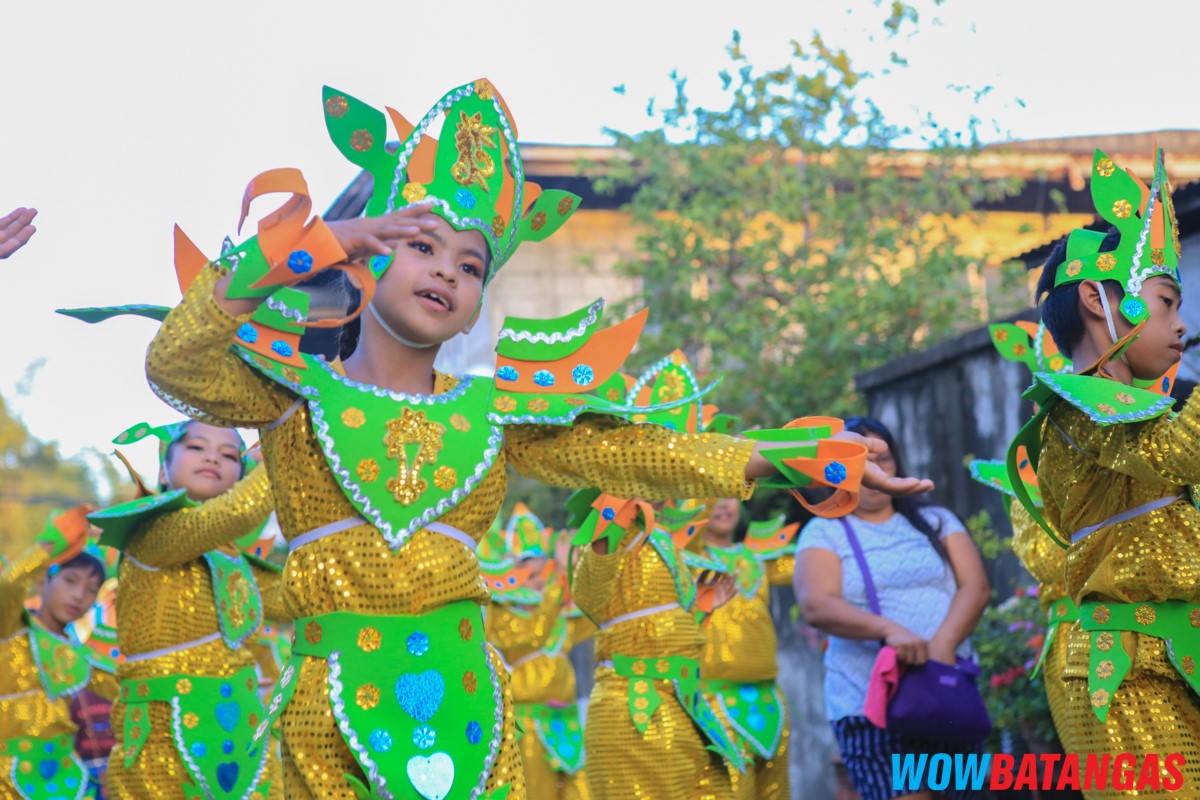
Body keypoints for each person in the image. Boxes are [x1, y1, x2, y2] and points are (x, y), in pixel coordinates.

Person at [140, 79, 927, 800]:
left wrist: (818, 456)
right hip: (324, 717)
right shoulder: (294, 395)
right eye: (421, 244)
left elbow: (648, 453)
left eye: (470, 263)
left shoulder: (494, 410)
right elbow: (177, 361)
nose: (447, 271)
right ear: (368, 257)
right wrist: (320, 238)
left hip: (474, 716)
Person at [1008, 148, 1200, 798]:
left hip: (1175, 646)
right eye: (1167, 302)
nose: (1181, 325)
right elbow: (1179, 454)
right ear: (1097, 298)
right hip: (1119, 666)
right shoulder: (1076, 401)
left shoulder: (1146, 410)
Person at [89, 420, 284, 800]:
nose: (213, 456)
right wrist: (283, 445)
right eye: (196, 447)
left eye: (230, 455)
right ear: (163, 468)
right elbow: (232, 516)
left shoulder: (235, 563)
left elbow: (302, 597)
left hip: (242, 735)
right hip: (162, 737)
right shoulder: (150, 530)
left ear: (239, 477)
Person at [797, 416, 990, 800]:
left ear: (896, 463)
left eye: (882, 459)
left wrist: (943, 643)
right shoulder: (824, 531)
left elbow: (976, 586)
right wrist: (888, 630)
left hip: (945, 693)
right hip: (870, 708)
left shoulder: (937, 520)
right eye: (859, 460)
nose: (874, 471)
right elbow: (817, 605)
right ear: (838, 470)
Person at [0, 507, 114, 800]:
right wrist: (54, 541)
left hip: (69, 784)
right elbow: (8, 587)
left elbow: (128, 688)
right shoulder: (11, 630)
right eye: (71, 580)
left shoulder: (83, 655)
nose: (79, 595)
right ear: (43, 581)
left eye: (91, 589)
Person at [480, 505, 592, 800]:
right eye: (531, 576)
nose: (540, 583)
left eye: (544, 575)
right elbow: (534, 630)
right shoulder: (504, 618)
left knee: (579, 791)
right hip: (524, 725)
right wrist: (559, 574)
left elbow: (590, 615)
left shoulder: (557, 617)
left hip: (564, 721)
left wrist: (576, 569)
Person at [696, 498, 795, 800]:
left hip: (769, 698)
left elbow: (818, 565)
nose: (722, 506)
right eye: (710, 498)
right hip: (713, 701)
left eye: (729, 496)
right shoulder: (687, 559)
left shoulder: (761, 556)